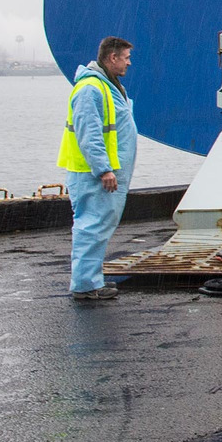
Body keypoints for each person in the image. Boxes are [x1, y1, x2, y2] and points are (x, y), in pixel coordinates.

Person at [59, 36, 138, 301]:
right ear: (112, 57)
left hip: (107, 173)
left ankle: (91, 280)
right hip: (94, 175)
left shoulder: (109, 86)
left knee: (97, 227)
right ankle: (84, 285)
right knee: (91, 227)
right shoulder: (90, 90)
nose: (129, 62)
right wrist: (103, 169)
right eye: (126, 57)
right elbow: (89, 133)